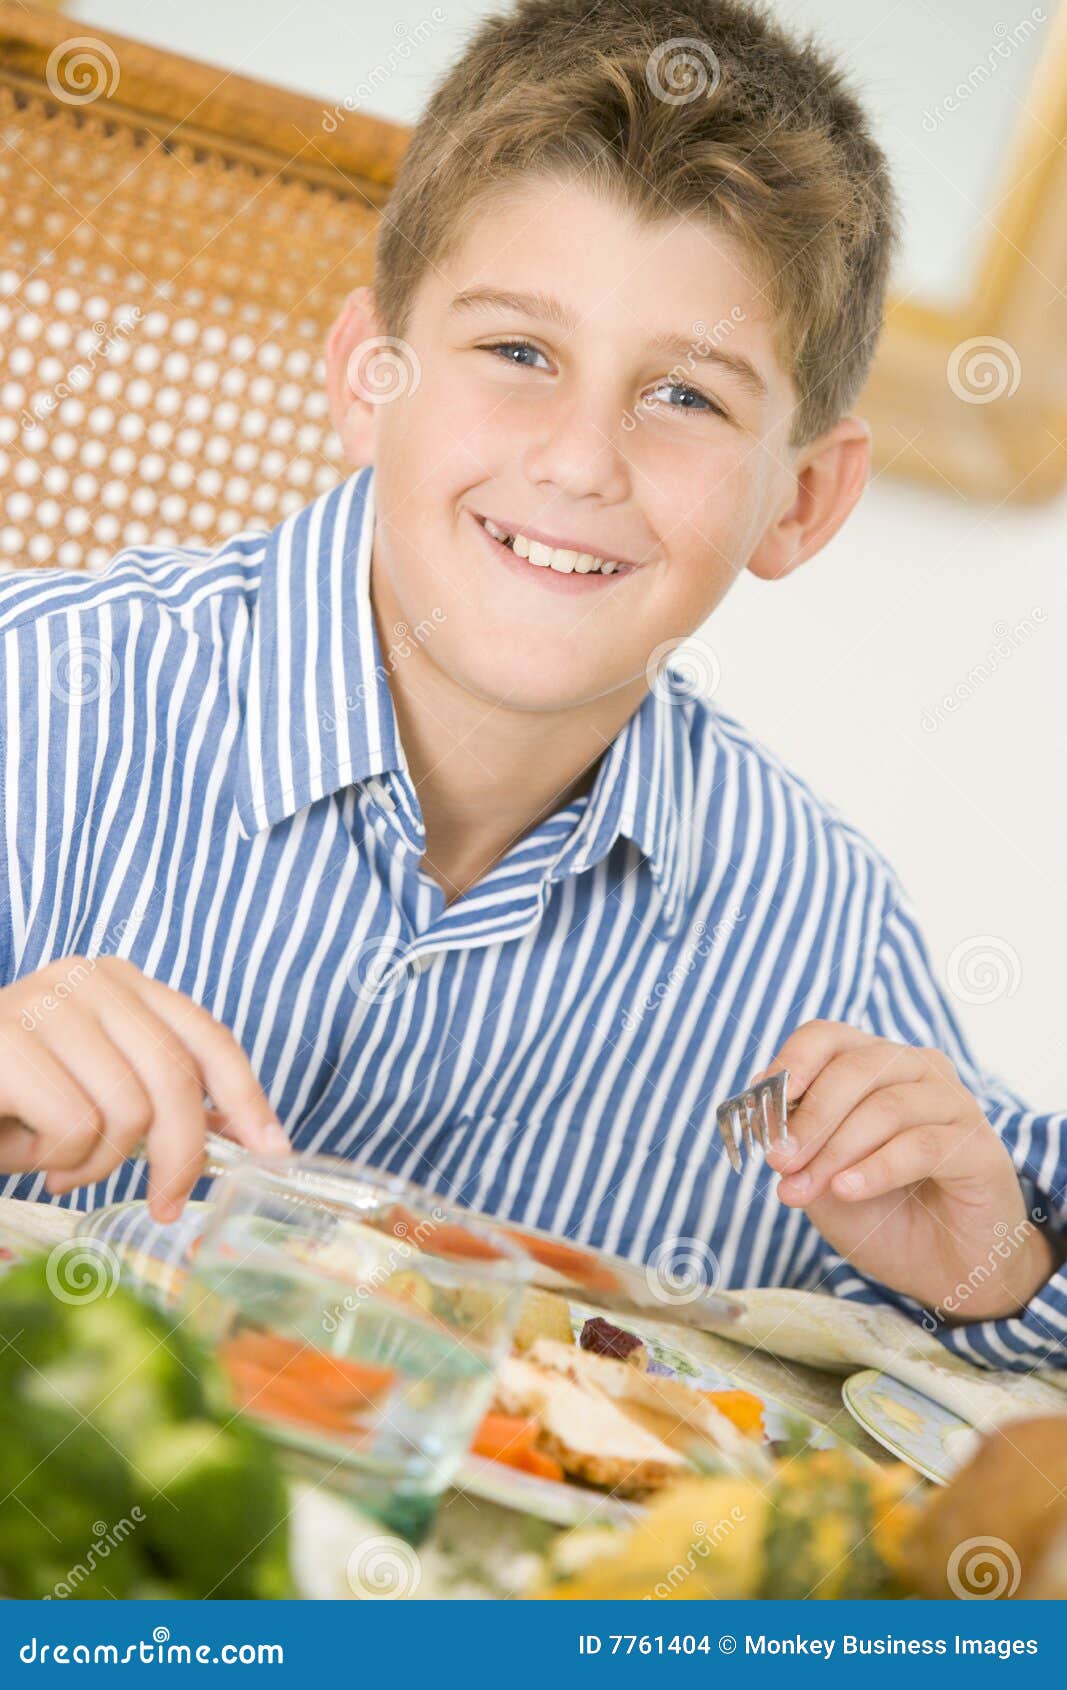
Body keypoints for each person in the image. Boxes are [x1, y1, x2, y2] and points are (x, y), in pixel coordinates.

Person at [0, 0, 1063, 1371]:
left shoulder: (818, 939)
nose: (579, 461)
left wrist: (994, 1274)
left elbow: (1017, 1257)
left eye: (684, 395)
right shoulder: (39, 705)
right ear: (366, 373)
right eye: (518, 352)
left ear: (802, 497)